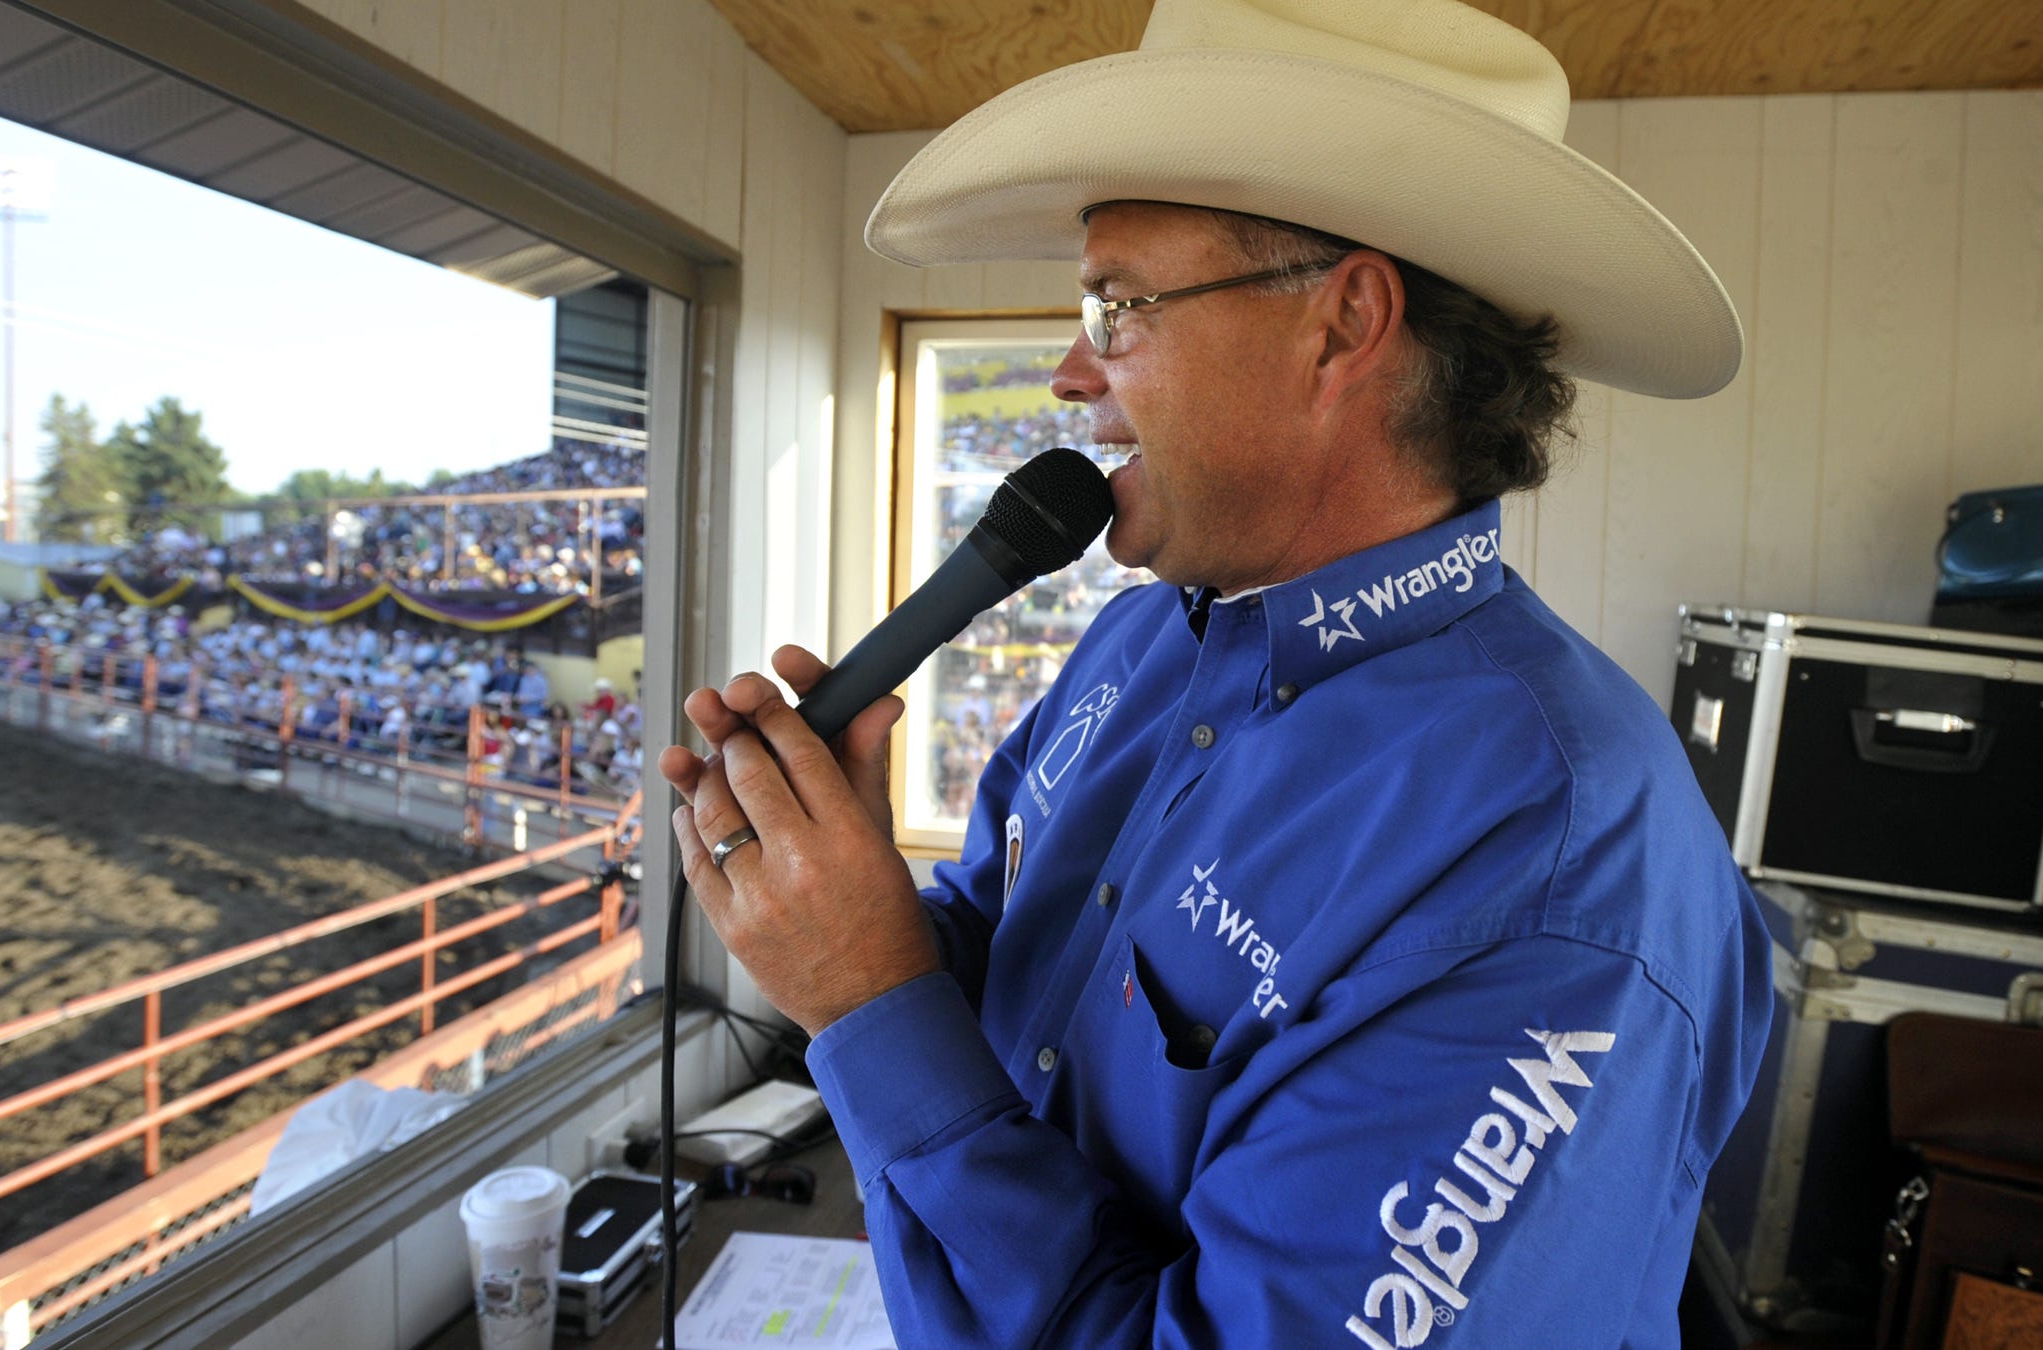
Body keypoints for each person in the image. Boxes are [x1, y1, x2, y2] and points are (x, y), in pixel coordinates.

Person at [660, 0, 1773, 1344]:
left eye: (1117, 304)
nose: (1070, 373)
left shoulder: (1555, 853)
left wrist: (866, 994)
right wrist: (842, 892)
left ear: (1342, 323)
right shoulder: (1142, 638)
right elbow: (1005, 948)